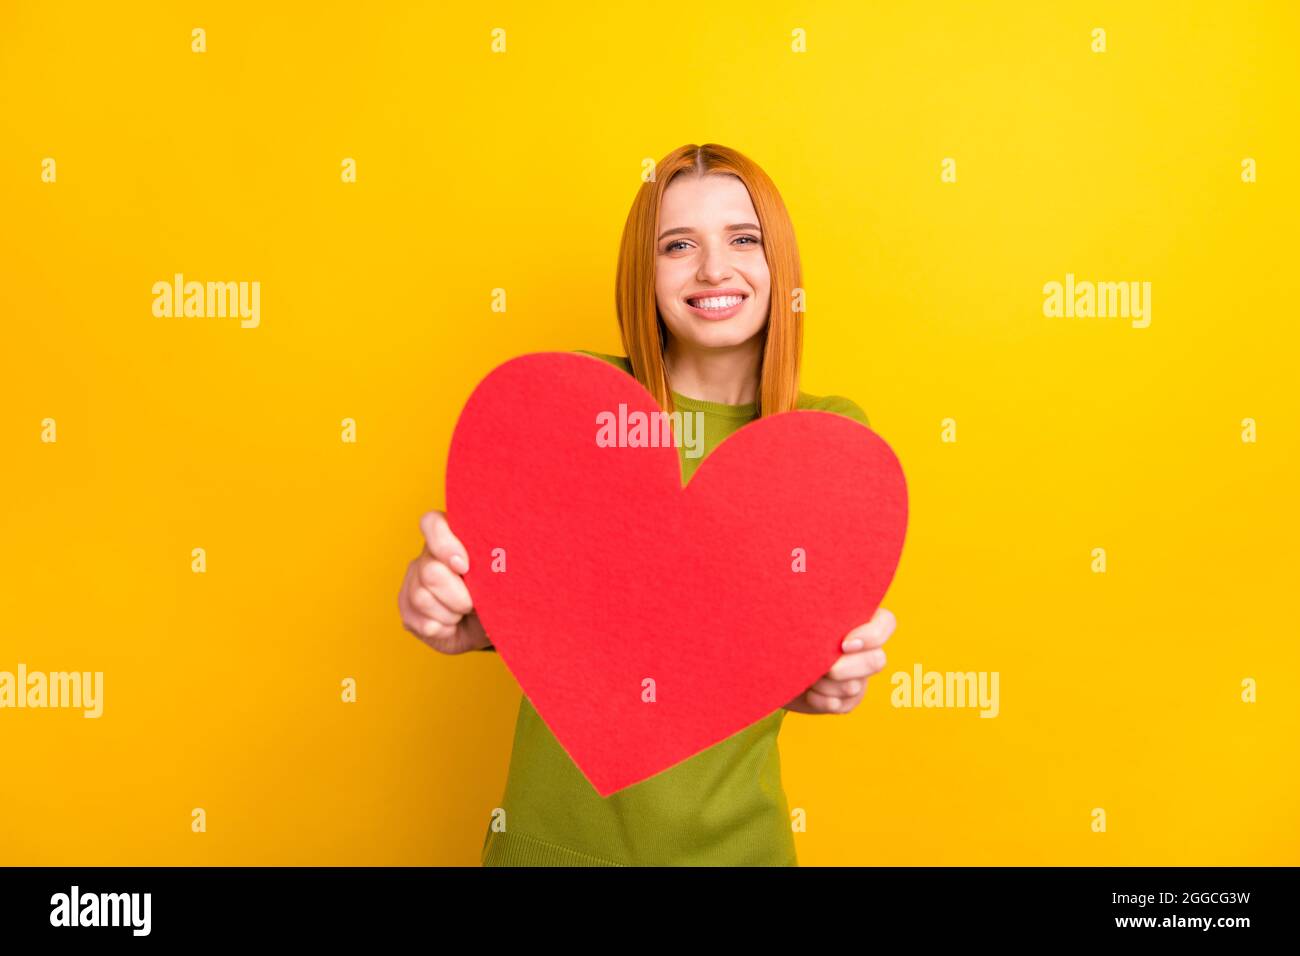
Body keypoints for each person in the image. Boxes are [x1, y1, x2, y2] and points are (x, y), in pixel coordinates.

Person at [397, 143, 897, 865]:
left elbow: (763, 648)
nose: (714, 269)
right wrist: (457, 612)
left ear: (779, 261)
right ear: (644, 271)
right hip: (548, 850)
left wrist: (824, 675)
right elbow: (537, 607)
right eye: (678, 245)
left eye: (744, 238)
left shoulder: (827, 439)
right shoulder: (570, 407)